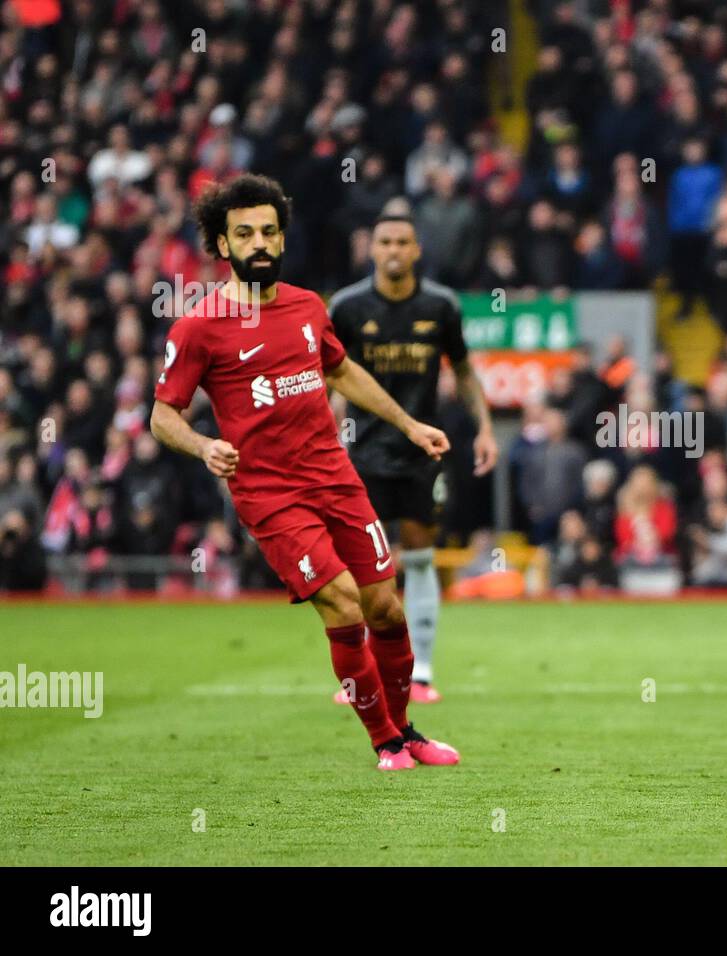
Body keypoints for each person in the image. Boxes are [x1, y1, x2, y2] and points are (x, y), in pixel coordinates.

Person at [150, 174, 460, 771]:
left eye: (269, 231)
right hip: (270, 495)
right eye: (244, 234)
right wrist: (203, 446)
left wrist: (409, 425)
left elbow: (342, 373)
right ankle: (386, 743)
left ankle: (408, 730)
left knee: (386, 608)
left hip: (336, 477)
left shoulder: (306, 306)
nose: (259, 243)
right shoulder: (198, 327)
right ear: (221, 246)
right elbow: (164, 416)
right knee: (343, 604)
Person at [328, 212, 498, 704]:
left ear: (417, 249)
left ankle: (420, 672)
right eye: (385, 241)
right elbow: (329, 375)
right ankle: (361, 674)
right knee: (365, 566)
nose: (395, 250)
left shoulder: (440, 306)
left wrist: (485, 427)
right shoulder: (348, 306)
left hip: (424, 450)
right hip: (364, 450)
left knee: (421, 558)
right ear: (372, 248)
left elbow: (464, 372)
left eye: (403, 241)